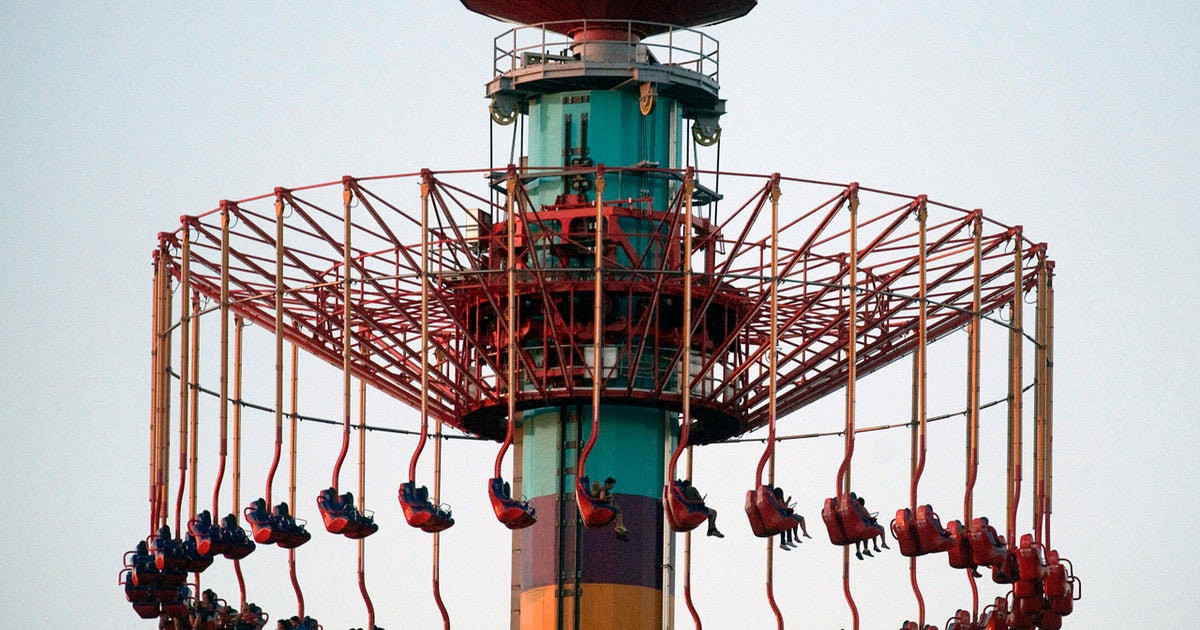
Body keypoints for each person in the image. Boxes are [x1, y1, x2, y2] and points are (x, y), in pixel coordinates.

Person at [592, 476, 629, 540]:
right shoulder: (603, 489)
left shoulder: (606, 490)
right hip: (601, 504)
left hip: (603, 503)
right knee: (617, 509)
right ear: (608, 484)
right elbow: (601, 498)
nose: (612, 487)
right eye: (612, 485)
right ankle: (619, 525)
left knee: (616, 506)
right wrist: (608, 498)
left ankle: (619, 525)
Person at [853, 495, 889, 560]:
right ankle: (881, 544)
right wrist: (873, 518)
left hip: (859, 527)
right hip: (865, 526)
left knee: (863, 533)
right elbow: (868, 517)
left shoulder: (854, 510)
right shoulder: (862, 509)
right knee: (878, 528)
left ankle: (862, 549)